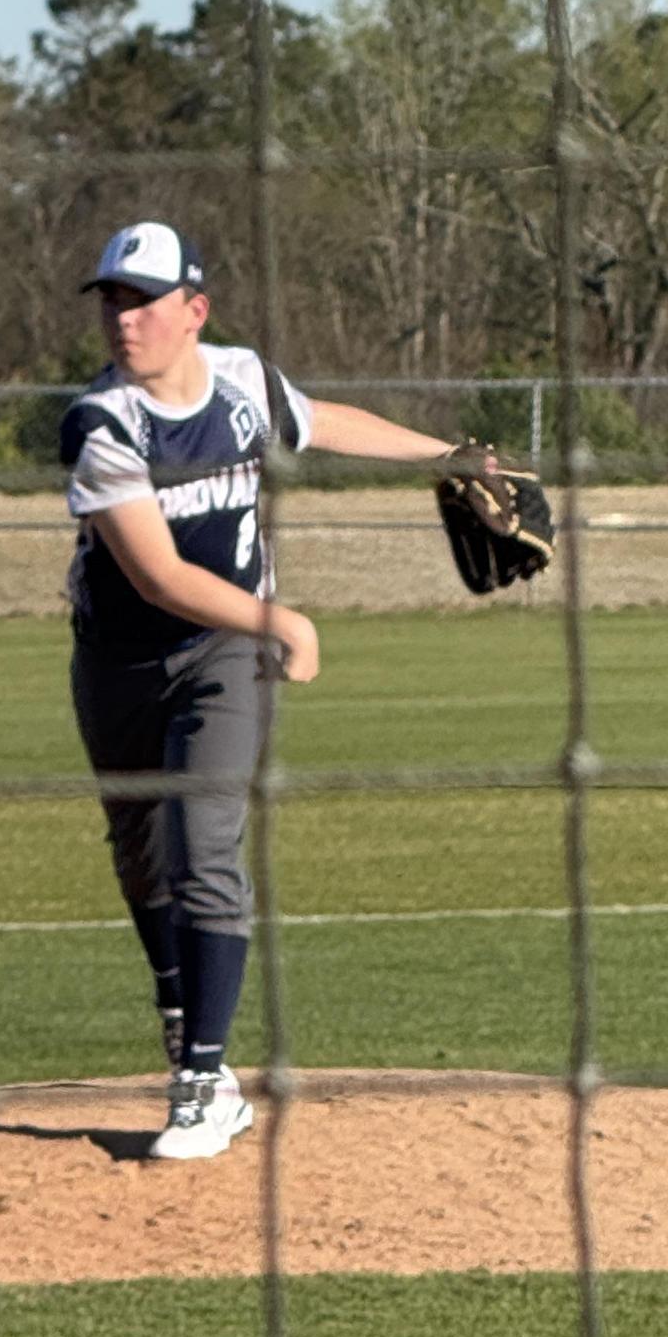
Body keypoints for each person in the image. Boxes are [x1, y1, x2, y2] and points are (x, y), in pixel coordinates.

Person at [64, 221, 457, 1160]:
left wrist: (447, 455)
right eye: (113, 300)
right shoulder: (99, 423)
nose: (125, 320)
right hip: (117, 664)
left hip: (221, 660)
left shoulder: (242, 381)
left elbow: (319, 421)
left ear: (193, 311)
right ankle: (178, 1004)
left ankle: (204, 1080)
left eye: (144, 300)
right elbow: (156, 575)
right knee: (140, 856)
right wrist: (283, 619)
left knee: (205, 844)